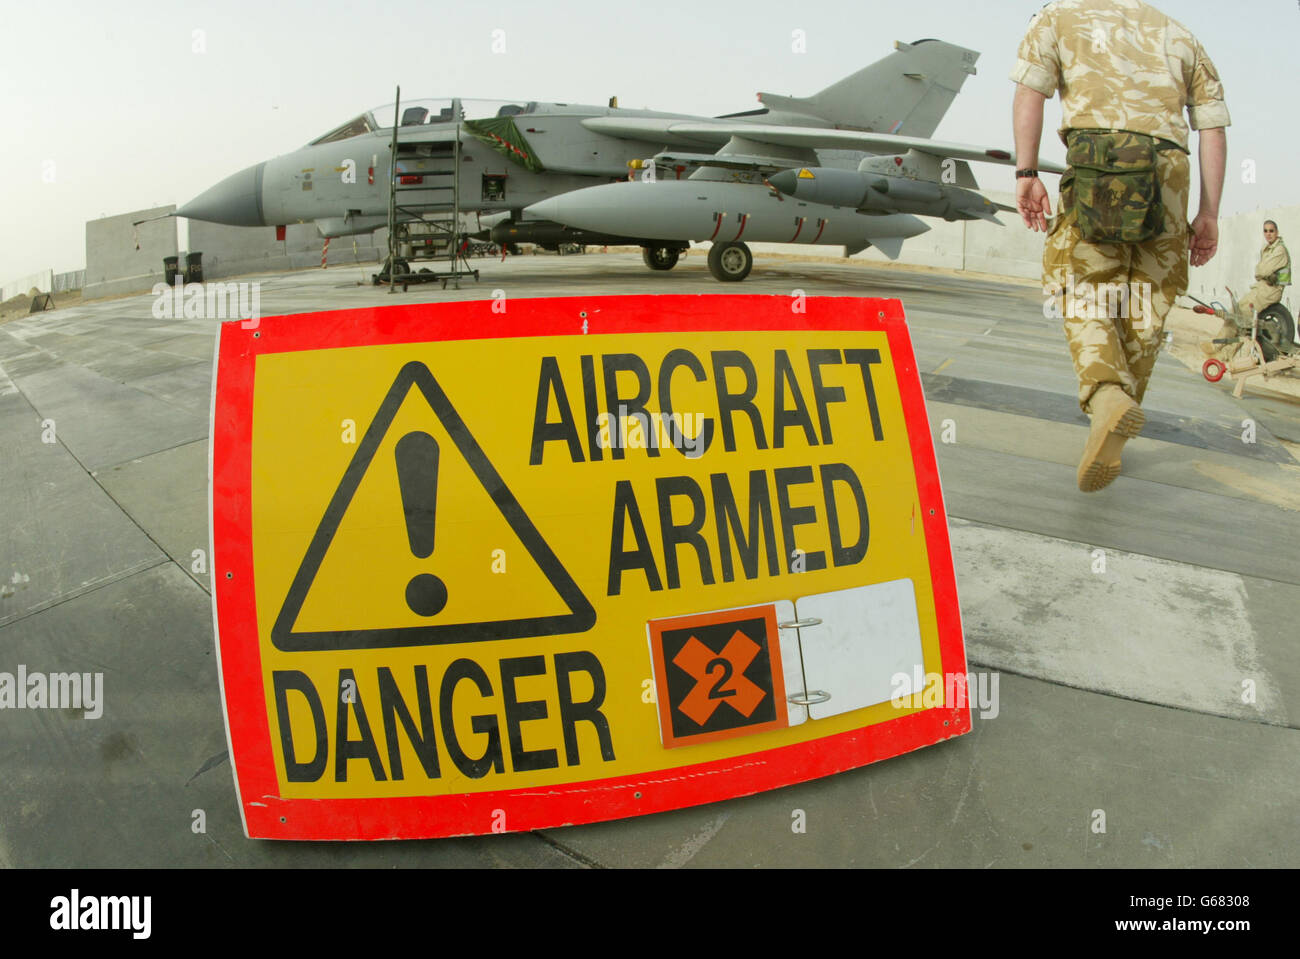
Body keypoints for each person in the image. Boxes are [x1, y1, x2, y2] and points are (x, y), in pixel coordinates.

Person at [1011, 0, 1229, 492]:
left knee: (1080, 283)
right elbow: (1211, 127)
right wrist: (1208, 212)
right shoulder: (1180, 34)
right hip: (1169, 169)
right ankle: (1109, 425)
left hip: (1100, 161)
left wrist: (1027, 171)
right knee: (1147, 301)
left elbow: (1030, 92)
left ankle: (1107, 395)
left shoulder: (1058, 15)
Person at [1238, 221, 1291, 315]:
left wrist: (1260, 271)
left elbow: (1262, 271)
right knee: (1238, 307)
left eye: (1271, 231)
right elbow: (1259, 273)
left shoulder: (1280, 250)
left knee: (1245, 313)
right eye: (1265, 231)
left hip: (1273, 290)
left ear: (1277, 232)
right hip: (1262, 286)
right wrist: (1260, 271)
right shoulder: (1265, 249)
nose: (1268, 234)